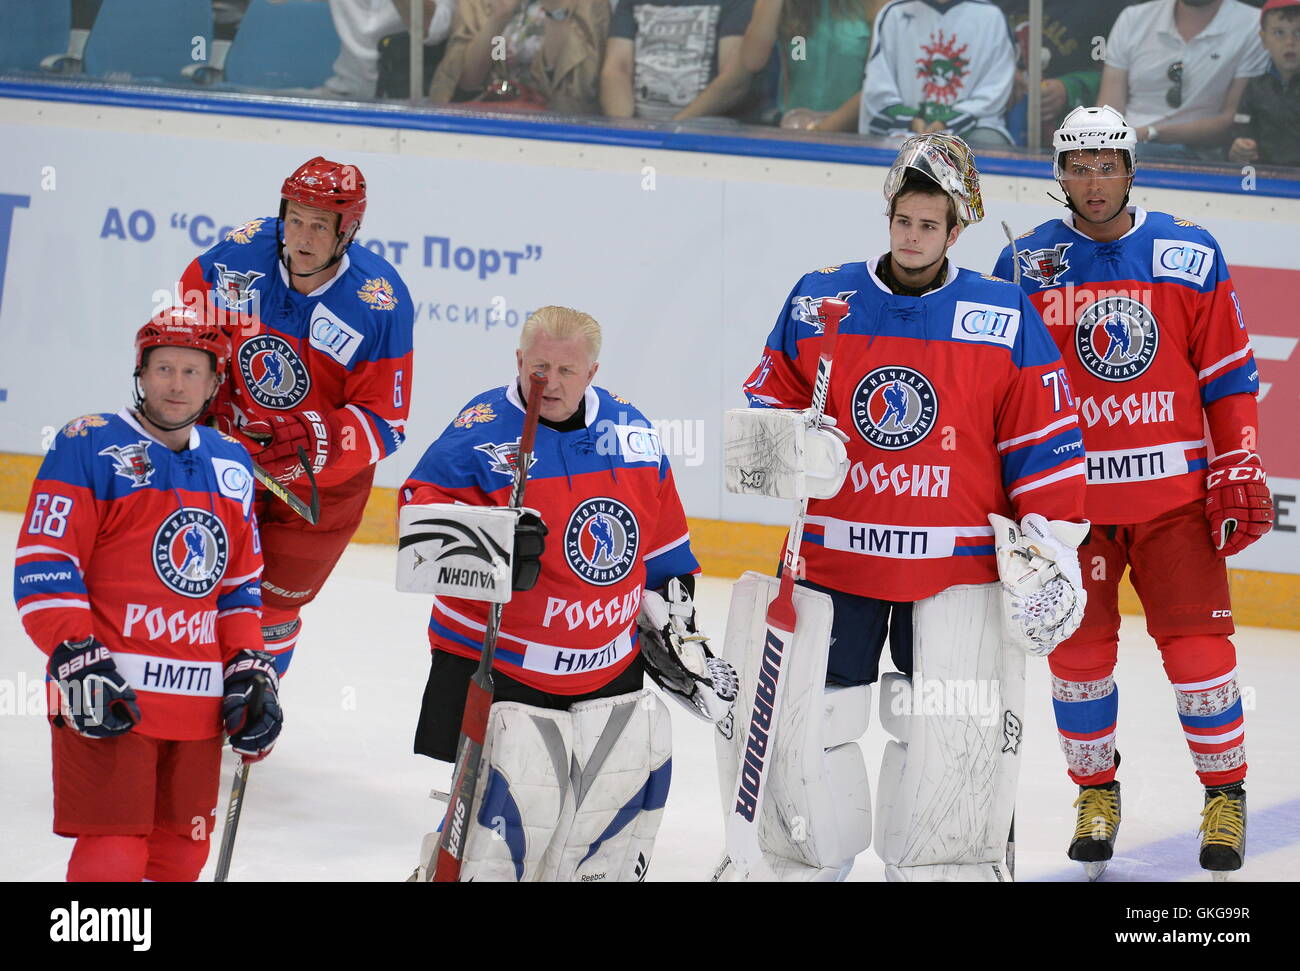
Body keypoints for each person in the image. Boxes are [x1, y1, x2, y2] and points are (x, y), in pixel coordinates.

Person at [727, 133, 1089, 881]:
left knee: (945, 733)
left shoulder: (1003, 312)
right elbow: (763, 406)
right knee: (814, 722)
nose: (913, 236)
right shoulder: (820, 298)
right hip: (837, 561)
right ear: (888, 217)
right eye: (904, 221)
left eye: (930, 225)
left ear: (957, 231)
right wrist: (796, 441)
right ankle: (800, 862)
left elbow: (1044, 437)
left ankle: (940, 867)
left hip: (955, 576)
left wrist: (1048, 542)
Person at [993, 105, 1273, 878]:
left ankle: (1225, 796)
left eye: (1105, 164)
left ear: (1130, 168)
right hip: (1070, 515)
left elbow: (1228, 374)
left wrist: (1240, 461)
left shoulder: (1188, 251)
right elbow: (994, 389)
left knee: (1201, 656)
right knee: (1078, 660)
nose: (1092, 181)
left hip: (1173, 504)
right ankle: (1095, 792)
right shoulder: (1024, 263)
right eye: (1076, 167)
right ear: (1058, 174)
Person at [398, 306, 734, 881]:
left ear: (593, 372)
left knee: (598, 834)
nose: (549, 383)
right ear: (519, 361)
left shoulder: (630, 432)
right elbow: (418, 532)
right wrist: (496, 541)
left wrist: (679, 626)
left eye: (566, 371)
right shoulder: (479, 431)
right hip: (503, 669)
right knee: (495, 835)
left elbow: (662, 548)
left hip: (609, 670)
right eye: (539, 367)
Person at [13, 306, 282, 882]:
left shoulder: (230, 462)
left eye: (191, 371)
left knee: (181, 856)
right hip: (107, 685)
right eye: (163, 368)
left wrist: (249, 667)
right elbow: (47, 561)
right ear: (141, 373)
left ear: (215, 383)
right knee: (113, 853)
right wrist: (75, 656)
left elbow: (238, 587)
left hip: (197, 699)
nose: (176, 384)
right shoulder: (88, 442)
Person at [178, 156, 415, 675]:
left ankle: (250, 704)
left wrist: (313, 444)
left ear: (347, 230)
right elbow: (190, 308)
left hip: (318, 490)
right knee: (194, 585)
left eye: (318, 225)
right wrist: (207, 398)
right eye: (294, 219)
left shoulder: (379, 302)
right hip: (229, 458)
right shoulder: (243, 254)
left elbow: (386, 423)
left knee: (274, 612)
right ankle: (190, 696)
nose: (301, 237)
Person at [1097, 0, 1270, 160]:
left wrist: (1151, 133)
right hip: (1127, 146)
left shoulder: (1253, 24)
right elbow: (1108, 109)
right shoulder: (1133, 18)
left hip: (1203, 151)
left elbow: (1232, 120)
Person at [859, 0, 1017, 148]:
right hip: (905, 128)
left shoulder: (991, 16)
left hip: (973, 129)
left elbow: (994, 90)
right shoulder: (894, 13)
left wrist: (947, 123)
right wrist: (911, 121)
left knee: (989, 143)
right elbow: (878, 88)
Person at [428, 0, 609, 113]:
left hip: (555, 133)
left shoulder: (590, 4)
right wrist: (500, 17)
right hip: (486, 122)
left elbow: (578, 92)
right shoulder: (477, 3)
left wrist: (556, 15)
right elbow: (466, 84)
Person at [993, 0, 1130, 145]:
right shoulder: (989, 5)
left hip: (1075, 133)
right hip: (996, 122)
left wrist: (1069, 88)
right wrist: (1000, 71)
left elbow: (1126, 77)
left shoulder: (1109, 6)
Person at [600, 0, 759, 122]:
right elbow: (616, 69)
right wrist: (623, 128)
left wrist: (672, 127)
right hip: (640, 130)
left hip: (707, 130)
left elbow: (734, 81)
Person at [736, 0, 883, 130]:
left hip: (853, 133)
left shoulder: (875, 4)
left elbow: (879, 83)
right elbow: (752, 62)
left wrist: (822, 129)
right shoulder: (788, 5)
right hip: (793, 127)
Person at [1229, 0, 1300, 166]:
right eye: (1279, 33)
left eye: (1299, 33)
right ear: (1264, 39)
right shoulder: (1255, 88)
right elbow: (1240, 135)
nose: (1289, 42)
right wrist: (1238, 149)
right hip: (1263, 179)